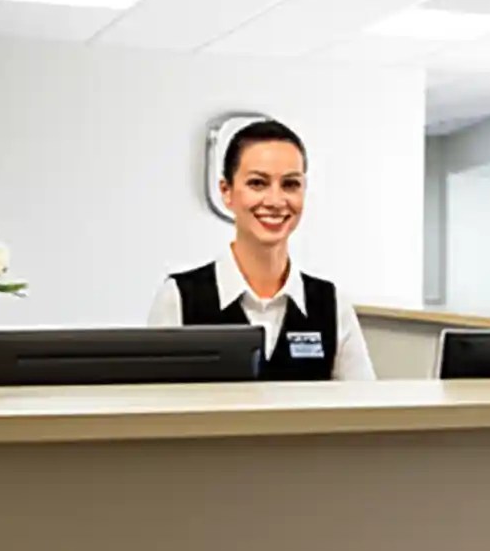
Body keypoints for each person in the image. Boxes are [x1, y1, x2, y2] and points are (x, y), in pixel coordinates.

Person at [147, 120, 375, 381]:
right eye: (257, 183)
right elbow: (157, 413)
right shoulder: (179, 298)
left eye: (290, 184)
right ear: (227, 192)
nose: (275, 201)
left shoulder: (331, 304)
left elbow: (364, 409)